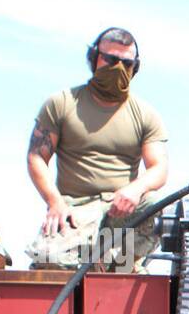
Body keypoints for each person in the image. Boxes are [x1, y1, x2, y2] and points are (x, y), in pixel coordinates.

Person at [25, 27, 169, 272]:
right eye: (110, 60)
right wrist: (55, 202)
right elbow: (37, 157)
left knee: (157, 207)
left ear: (136, 67)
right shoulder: (62, 103)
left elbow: (159, 168)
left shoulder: (146, 114)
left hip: (122, 210)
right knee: (49, 260)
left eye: (126, 63)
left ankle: (113, 263)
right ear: (94, 59)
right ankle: (98, 261)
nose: (118, 68)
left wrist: (135, 190)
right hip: (75, 210)